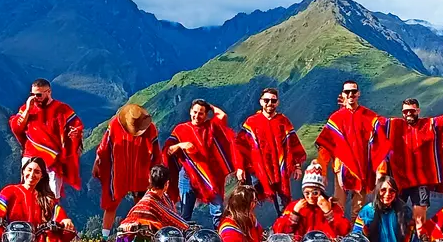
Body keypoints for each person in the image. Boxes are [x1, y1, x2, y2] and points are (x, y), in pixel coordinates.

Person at [376, 95, 443, 231]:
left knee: (420, 218)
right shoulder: (394, 125)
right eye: (405, 111)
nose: (408, 114)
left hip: (421, 180)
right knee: (394, 215)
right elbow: (374, 122)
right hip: (400, 180)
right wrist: (350, 108)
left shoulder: (428, 125)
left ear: (418, 111)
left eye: (411, 111)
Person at [0, 157, 76, 242]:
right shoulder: (10, 191)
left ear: (42, 176)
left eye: (37, 172)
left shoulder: (47, 198)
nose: (32, 175)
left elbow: (57, 214)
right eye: (29, 170)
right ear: (23, 171)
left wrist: (64, 221)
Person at [314, 80, 386, 216]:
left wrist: (380, 171)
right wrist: (322, 171)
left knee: (358, 209)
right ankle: (338, 235)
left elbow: (379, 145)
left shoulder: (369, 117)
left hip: (363, 168)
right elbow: (326, 146)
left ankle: (356, 235)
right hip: (341, 167)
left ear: (359, 93)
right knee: (338, 206)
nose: (351, 94)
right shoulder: (336, 118)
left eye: (353, 91)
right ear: (343, 94)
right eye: (347, 92)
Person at [92, 103, 161, 242]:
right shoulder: (115, 125)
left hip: (140, 169)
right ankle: (104, 239)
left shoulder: (150, 128)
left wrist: (156, 173)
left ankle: (143, 238)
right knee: (111, 203)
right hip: (118, 170)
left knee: (141, 204)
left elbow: (155, 152)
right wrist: (97, 162)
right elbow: (105, 147)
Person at [165, 99, 238, 228]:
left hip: (211, 176)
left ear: (206, 115)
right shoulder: (181, 130)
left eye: (201, 113)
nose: (197, 116)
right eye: (195, 112)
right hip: (188, 175)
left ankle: (219, 238)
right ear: (190, 111)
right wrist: (181, 145)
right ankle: (185, 240)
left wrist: (208, 105)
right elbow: (168, 151)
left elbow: (222, 115)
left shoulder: (210, 127)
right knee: (185, 212)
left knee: (217, 211)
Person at [237, 88, 307, 217]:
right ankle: (246, 227)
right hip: (257, 170)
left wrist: (297, 167)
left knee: (283, 202)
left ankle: (285, 230)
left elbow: (293, 144)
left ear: (277, 103)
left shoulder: (283, 121)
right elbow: (240, 146)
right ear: (261, 102)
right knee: (249, 199)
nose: (269, 103)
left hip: (279, 170)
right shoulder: (252, 122)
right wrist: (240, 167)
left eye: (273, 101)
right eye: (266, 100)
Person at [8, 79, 83, 198]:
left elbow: (76, 126)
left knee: (52, 195)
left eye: (38, 95)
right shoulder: (26, 109)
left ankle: (51, 216)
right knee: (29, 193)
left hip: (53, 159)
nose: (35, 98)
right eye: (32, 95)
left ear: (48, 92)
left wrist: (75, 133)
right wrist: (27, 109)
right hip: (31, 156)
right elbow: (17, 127)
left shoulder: (62, 109)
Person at [271, 163, 352, 240]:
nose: (310, 197)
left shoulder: (332, 206)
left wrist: (328, 212)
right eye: (307, 193)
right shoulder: (294, 206)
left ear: (321, 192)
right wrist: (295, 213)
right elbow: (279, 231)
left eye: (315, 193)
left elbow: (345, 231)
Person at [119, 165, 190, 233]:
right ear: (167, 184)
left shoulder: (166, 198)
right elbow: (130, 222)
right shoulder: (146, 203)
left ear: (150, 180)